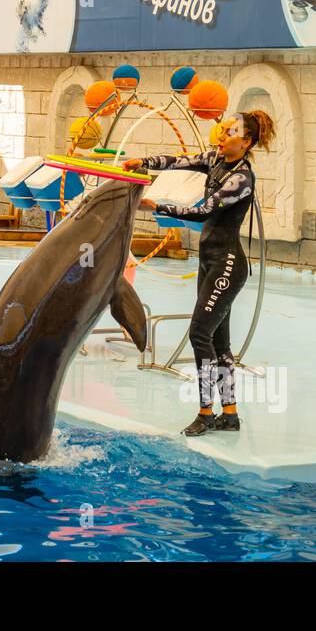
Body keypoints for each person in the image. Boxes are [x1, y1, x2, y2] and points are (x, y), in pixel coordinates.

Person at [125, 109, 276, 436]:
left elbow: (204, 211)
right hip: (209, 261)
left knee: (199, 334)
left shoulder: (242, 178)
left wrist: (157, 207)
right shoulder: (216, 160)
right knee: (219, 341)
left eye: (229, 134)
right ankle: (230, 414)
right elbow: (179, 161)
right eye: (221, 132)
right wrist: (144, 162)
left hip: (228, 265)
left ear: (246, 141)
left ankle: (206, 412)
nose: (221, 138)